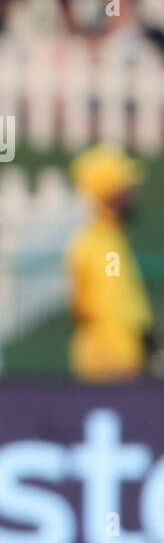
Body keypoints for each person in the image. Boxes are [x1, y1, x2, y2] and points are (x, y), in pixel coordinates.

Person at [67, 144, 156, 382]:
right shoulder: (104, 248)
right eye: (127, 190)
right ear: (111, 194)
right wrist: (126, 356)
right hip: (112, 367)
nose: (134, 196)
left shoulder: (107, 240)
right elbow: (112, 303)